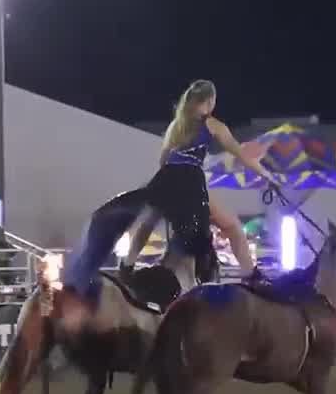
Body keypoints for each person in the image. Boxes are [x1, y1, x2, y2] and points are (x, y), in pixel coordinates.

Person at [62, 79, 272, 296]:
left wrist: (170, 183)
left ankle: (127, 265)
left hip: (167, 177)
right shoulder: (212, 124)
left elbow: (163, 160)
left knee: (150, 219)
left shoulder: (175, 126)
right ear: (210, 101)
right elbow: (240, 153)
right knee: (231, 226)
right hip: (191, 180)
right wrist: (266, 175)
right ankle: (249, 274)